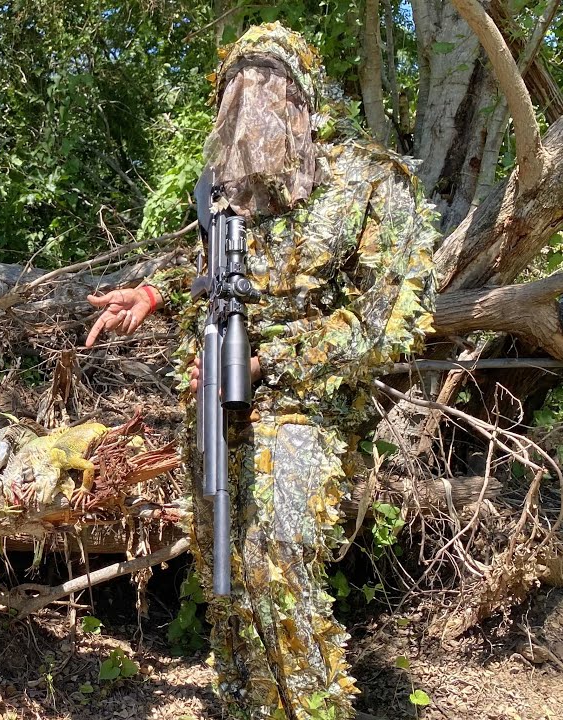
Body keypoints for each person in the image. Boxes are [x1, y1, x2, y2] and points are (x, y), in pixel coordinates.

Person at [86, 24, 439, 720]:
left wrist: (270, 361)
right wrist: (155, 295)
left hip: (306, 410)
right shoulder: (223, 192)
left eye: (270, 86)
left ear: (306, 100)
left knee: (277, 565)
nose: (252, 108)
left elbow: (385, 319)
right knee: (225, 576)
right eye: (236, 91)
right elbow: (210, 274)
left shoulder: (370, 183)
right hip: (215, 403)